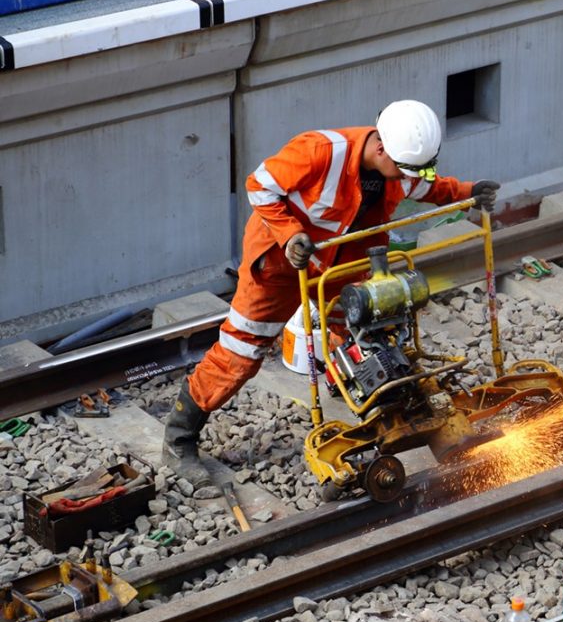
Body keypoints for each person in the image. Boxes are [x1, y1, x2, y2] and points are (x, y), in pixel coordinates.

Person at [162, 100, 500, 496]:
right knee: (242, 350)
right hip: (282, 263)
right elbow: (260, 185)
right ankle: (179, 439)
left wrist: (468, 192)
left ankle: (366, 394)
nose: (409, 179)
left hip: (347, 259)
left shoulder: (401, 165)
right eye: (406, 170)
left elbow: (426, 186)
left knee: (368, 324)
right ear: (380, 150)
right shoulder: (320, 151)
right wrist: (290, 236)